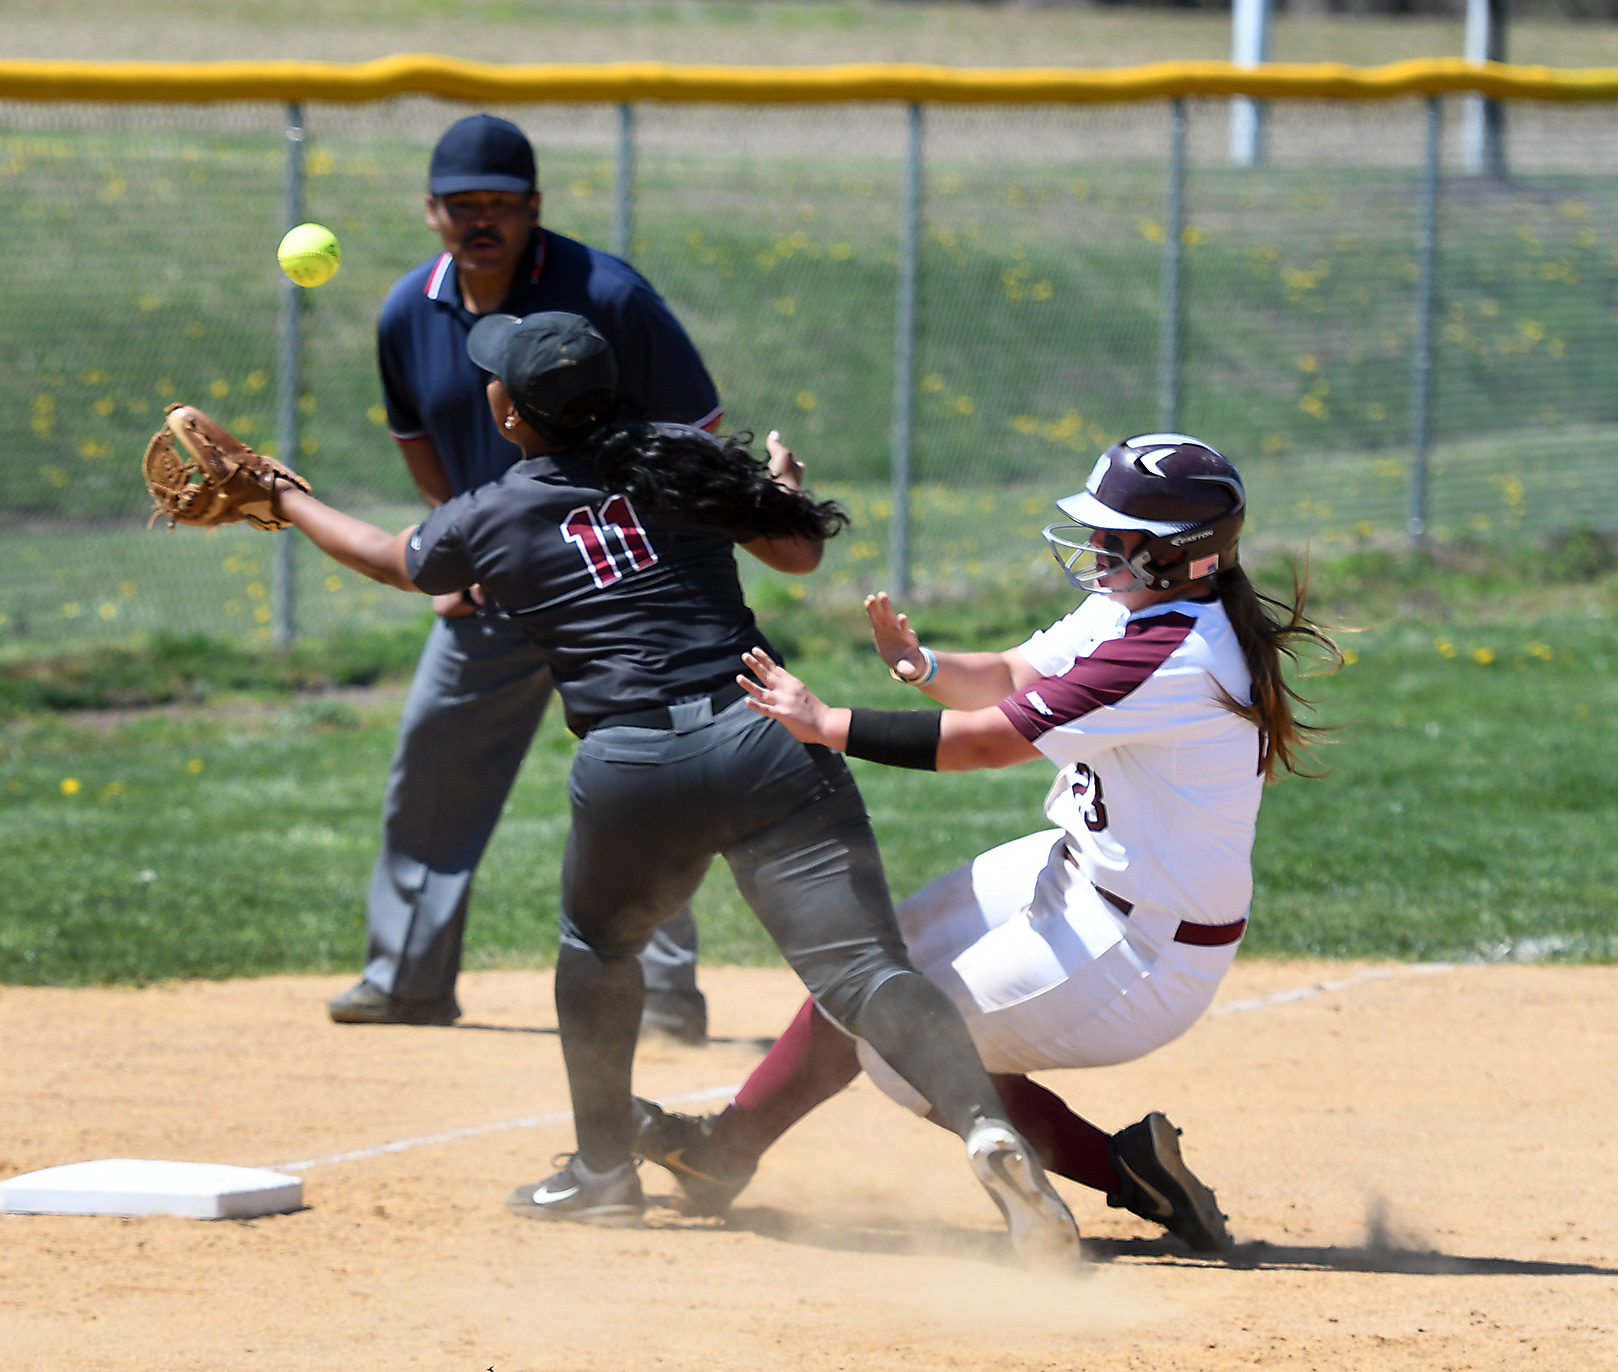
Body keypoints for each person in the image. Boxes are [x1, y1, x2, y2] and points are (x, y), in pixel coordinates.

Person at [261, 309, 1083, 1261]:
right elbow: (798, 553)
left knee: (599, 949)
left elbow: (391, 560)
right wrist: (780, 488)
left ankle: (603, 1174)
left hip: (633, 768)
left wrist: (283, 498)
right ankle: (988, 1130)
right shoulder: (674, 455)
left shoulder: (492, 512)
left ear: (513, 416)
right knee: (863, 970)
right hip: (763, 733)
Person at [635, 432, 1335, 1254]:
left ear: (1177, 555)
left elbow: (986, 744)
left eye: (1119, 535)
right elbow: (1011, 676)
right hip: (1080, 876)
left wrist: (827, 727)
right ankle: (725, 1154)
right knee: (869, 971)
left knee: (899, 1049)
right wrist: (921, 663)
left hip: (1138, 949)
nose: (1100, 545)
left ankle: (1128, 1172)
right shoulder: (1136, 605)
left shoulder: (1174, 654)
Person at [328, 113, 726, 1039]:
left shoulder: (608, 294)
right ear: (429, 211)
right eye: (461, 204)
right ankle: (407, 979)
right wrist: (453, 551)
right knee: (432, 763)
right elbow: (415, 437)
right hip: (497, 580)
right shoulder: (406, 310)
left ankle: (666, 997)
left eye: (498, 205)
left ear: (534, 208)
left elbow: (698, 433)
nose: (480, 221)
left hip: (620, 581)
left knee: (647, 777)